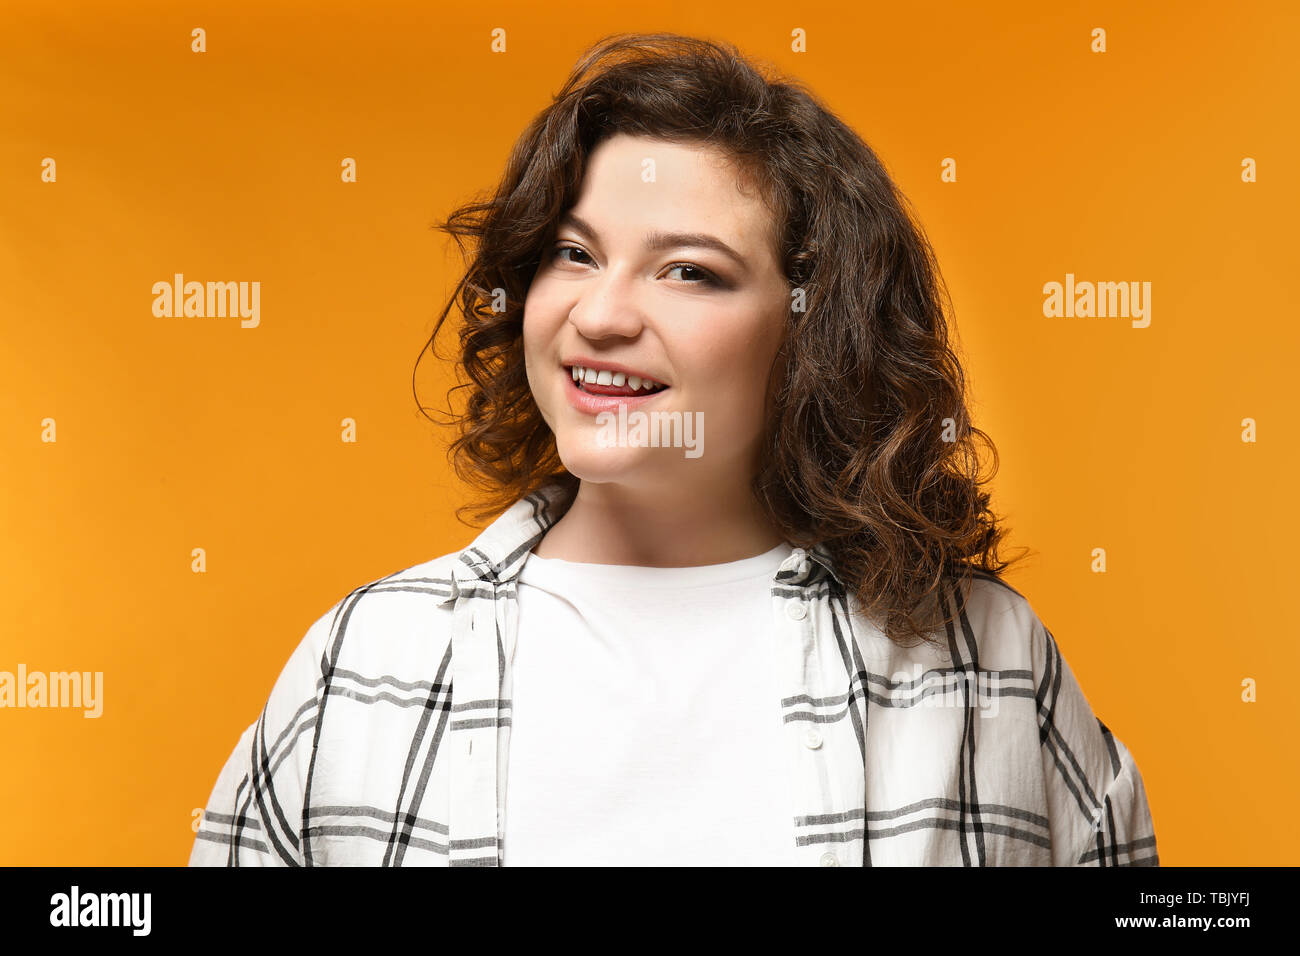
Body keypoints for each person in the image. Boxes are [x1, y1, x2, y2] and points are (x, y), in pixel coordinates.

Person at [189, 32, 1157, 867]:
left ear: (815, 328)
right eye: (573, 252)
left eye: (689, 271)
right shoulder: (367, 653)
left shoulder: (983, 654)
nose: (600, 315)